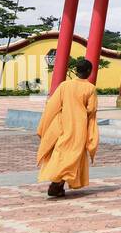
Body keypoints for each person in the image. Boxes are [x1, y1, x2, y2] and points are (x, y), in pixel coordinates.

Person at [36, 57, 100, 198]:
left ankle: (58, 184)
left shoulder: (64, 85)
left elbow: (52, 106)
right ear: (89, 71)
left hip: (63, 124)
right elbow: (91, 110)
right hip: (79, 127)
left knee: (60, 152)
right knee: (74, 155)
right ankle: (58, 182)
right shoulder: (90, 88)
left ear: (76, 71)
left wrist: (44, 125)